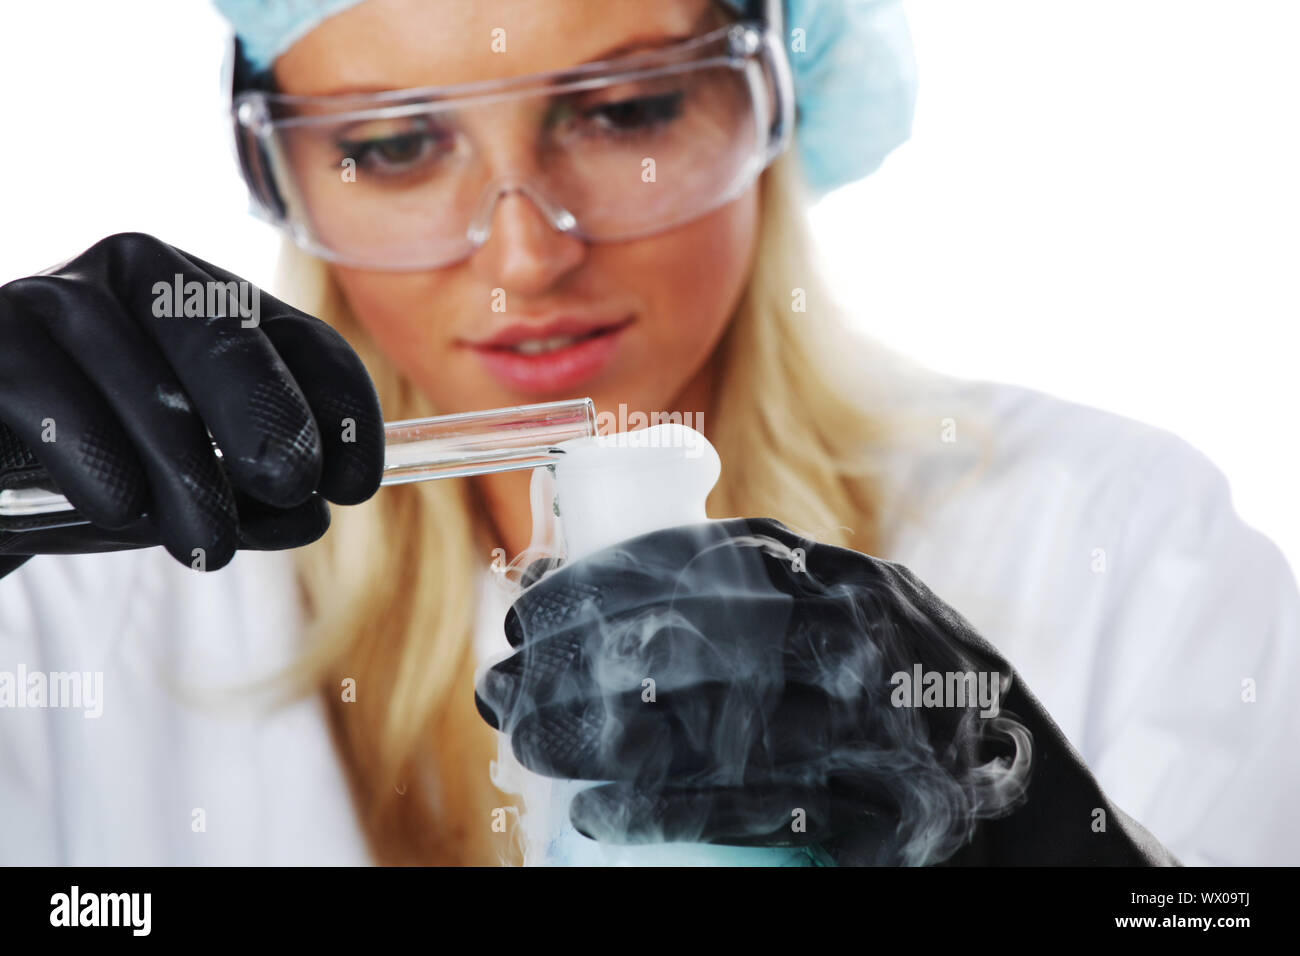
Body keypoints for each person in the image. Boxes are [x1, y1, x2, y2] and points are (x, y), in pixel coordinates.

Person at [0, 0, 1296, 866]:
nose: (523, 254)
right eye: (393, 145)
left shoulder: (1124, 545)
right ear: (283, 174)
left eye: (625, 113)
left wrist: (1056, 846)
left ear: (775, 100)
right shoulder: (78, 598)